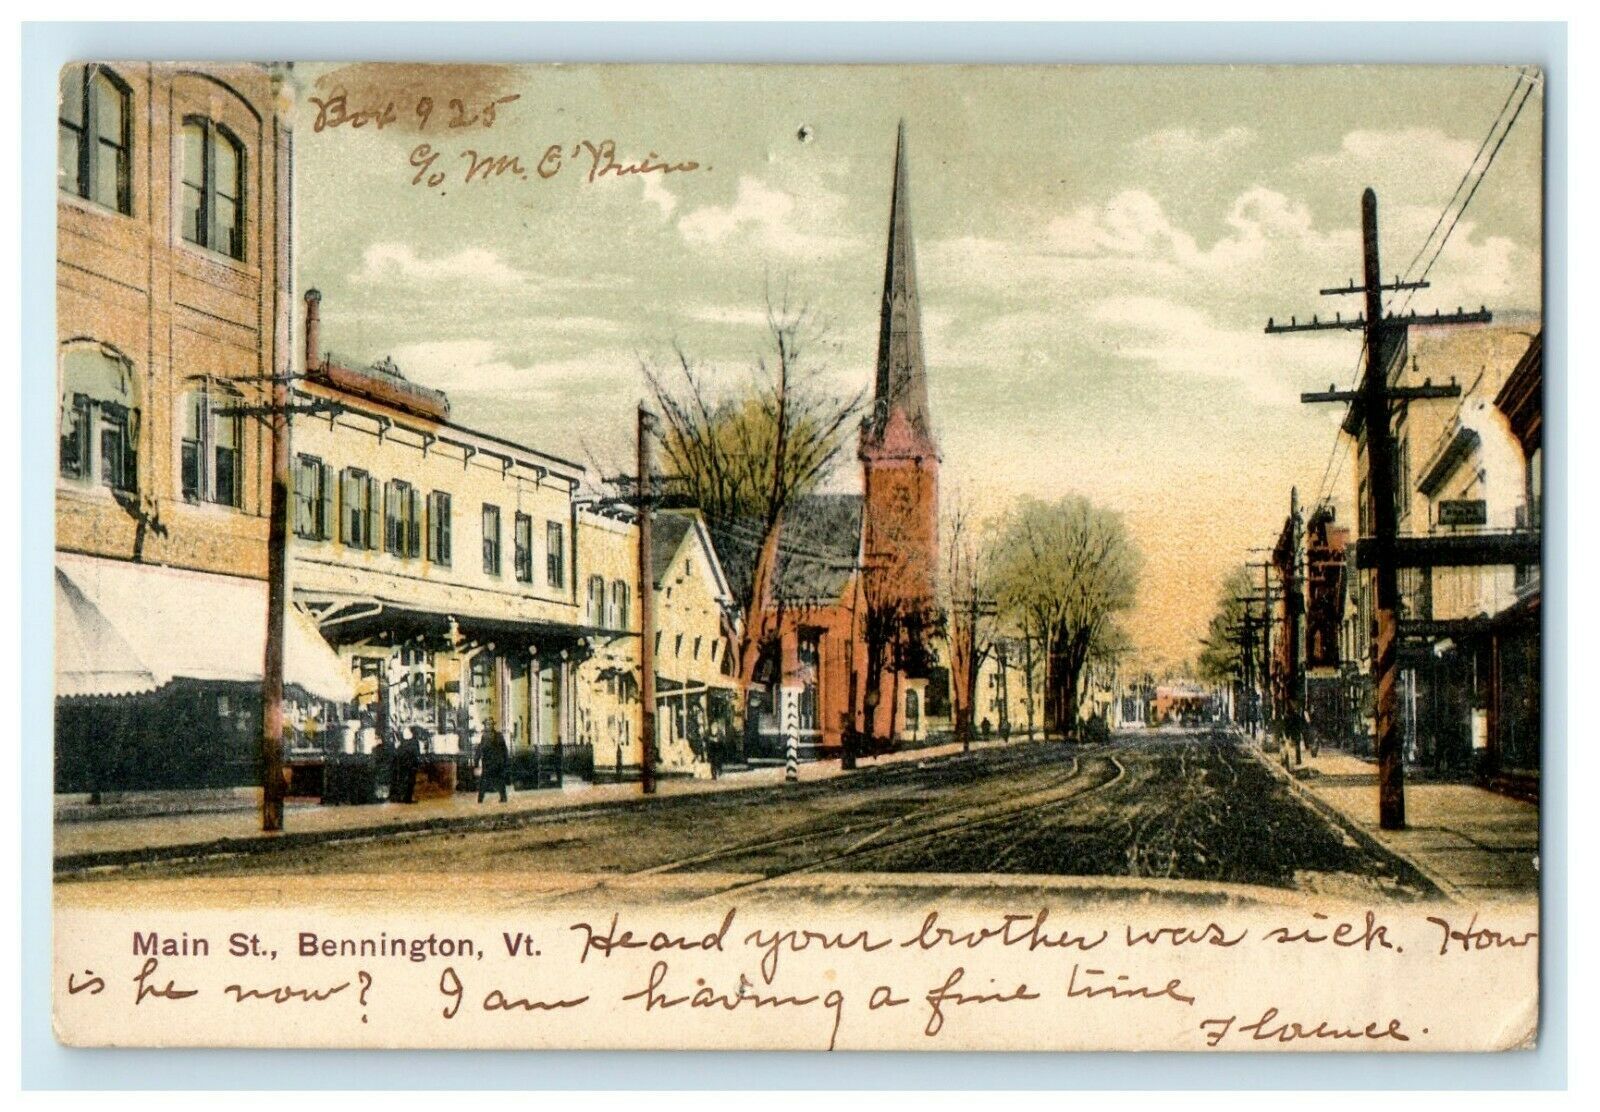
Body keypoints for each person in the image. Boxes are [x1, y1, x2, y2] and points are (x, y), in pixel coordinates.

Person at [476, 727, 509, 804]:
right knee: (500, 781)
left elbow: (480, 750)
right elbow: (505, 751)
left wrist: (476, 762)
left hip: (488, 764)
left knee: (484, 782)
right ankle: (503, 798)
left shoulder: (485, 737)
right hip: (498, 763)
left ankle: (480, 799)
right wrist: (506, 762)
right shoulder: (499, 737)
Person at [391, 727, 420, 804]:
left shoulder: (403, 743)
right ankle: (407, 799)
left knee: (404, 782)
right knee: (409, 782)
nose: (404, 734)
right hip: (410, 765)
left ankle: (402, 798)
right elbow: (416, 754)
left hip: (404, 765)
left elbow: (398, 754)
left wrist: (397, 748)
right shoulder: (414, 742)